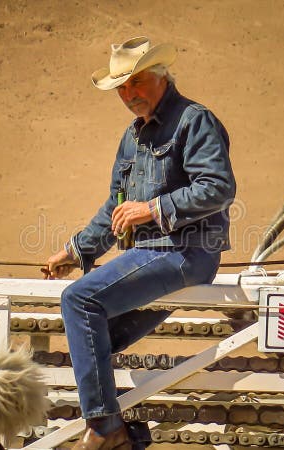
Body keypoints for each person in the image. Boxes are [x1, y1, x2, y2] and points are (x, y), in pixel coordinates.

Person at [45, 36, 236, 450]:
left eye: (135, 83)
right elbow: (115, 208)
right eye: (122, 88)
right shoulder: (131, 138)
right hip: (148, 256)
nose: (129, 95)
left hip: (187, 253)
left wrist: (150, 209)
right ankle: (131, 430)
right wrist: (76, 250)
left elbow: (218, 188)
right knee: (95, 338)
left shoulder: (193, 120)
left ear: (161, 77)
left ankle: (105, 427)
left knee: (79, 303)